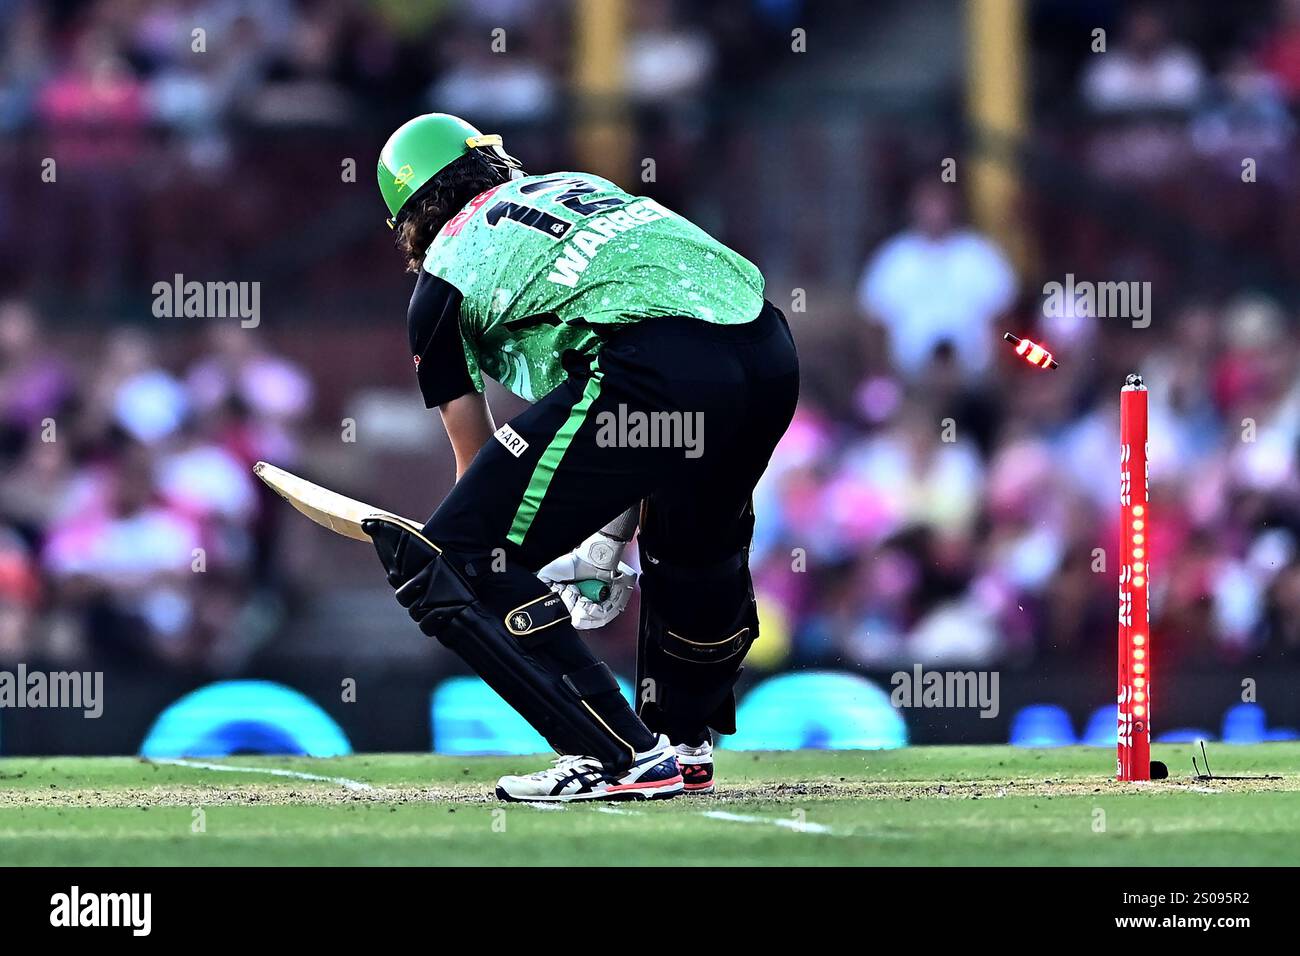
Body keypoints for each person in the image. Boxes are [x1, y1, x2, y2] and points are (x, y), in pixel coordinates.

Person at [369, 113, 799, 801]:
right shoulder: (572, 184)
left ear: (412, 215)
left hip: (660, 367)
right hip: (767, 351)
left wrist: (523, 565)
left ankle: (617, 754)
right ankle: (684, 742)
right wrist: (599, 544)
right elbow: (624, 420)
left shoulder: (441, 279)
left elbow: (477, 472)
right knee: (692, 550)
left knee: (458, 560)